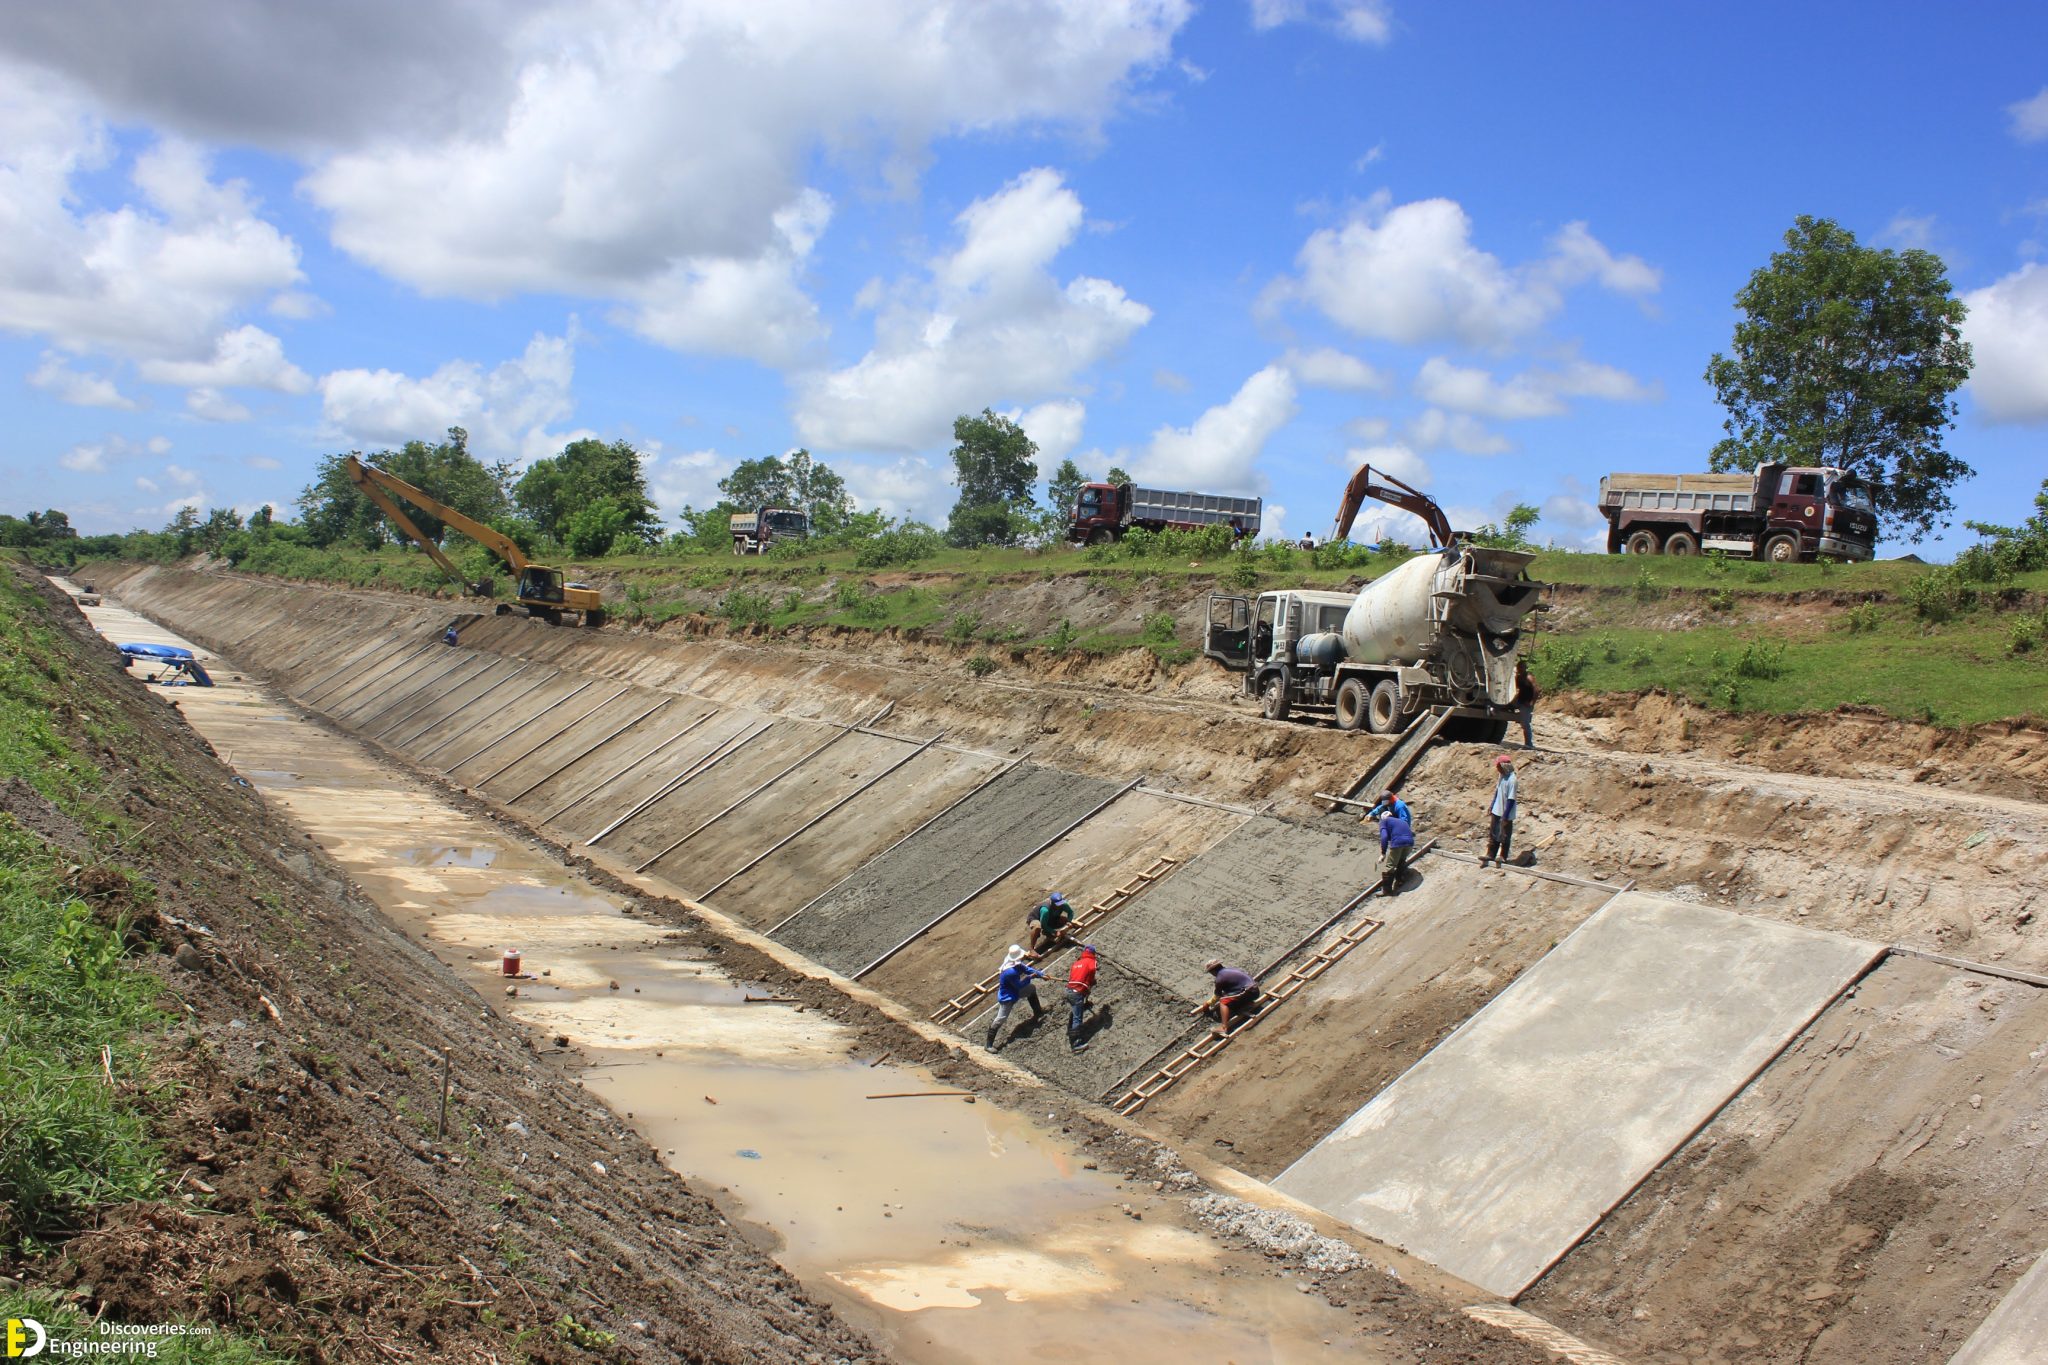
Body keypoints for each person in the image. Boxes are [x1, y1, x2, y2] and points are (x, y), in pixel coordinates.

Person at [986, 945, 1046, 1051]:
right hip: (1008, 996)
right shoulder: (1010, 972)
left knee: (1031, 989)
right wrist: (1030, 977)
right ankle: (989, 1045)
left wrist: (1039, 974)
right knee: (1001, 1019)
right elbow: (1019, 985)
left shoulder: (1015, 964)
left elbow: (1026, 969)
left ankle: (1038, 1012)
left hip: (1014, 991)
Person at [1191, 960, 1261, 1039]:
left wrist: (1207, 1004)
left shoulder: (1220, 978)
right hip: (1254, 991)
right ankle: (1246, 1004)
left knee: (1223, 1002)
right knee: (1228, 996)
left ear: (1212, 971)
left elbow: (1217, 996)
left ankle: (1224, 1028)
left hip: (1249, 992)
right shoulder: (1232, 970)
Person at [1482, 754, 1517, 867]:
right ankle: (1491, 854)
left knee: (1504, 835)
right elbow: (1497, 791)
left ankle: (1503, 856)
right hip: (1497, 809)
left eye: (1498, 766)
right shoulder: (1501, 776)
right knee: (1494, 833)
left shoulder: (1512, 780)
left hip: (1506, 812)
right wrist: (1492, 805)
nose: (1497, 769)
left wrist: (1505, 816)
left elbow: (1511, 799)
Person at [1064, 945, 1099, 1052]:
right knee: (1077, 1018)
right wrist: (1092, 981)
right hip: (1077, 993)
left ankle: (1070, 1030)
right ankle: (1076, 1043)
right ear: (1093, 954)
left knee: (1075, 1011)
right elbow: (1093, 970)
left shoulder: (1076, 963)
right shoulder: (1091, 961)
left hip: (1068, 991)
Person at [1026, 892, 1077, 957]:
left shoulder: (1063, 904)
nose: (1060, 905)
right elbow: (1043, 925)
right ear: (1053, 903)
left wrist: (1069, 921)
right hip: (1036, 919)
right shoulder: (1045, 910)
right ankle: (1031, 949)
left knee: (1064, 920)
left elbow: (1070, 912)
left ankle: (1047, 932)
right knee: (1037, 927)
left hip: (1050, 918)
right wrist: (1055, 932)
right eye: (1058, 904)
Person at [1378, 805, 1415, 893]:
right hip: (1410, 843)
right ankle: (1400, 880)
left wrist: (1383, 853)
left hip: (1398, 843)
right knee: (1401, 861)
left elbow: (1384, 837)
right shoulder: (1401, 821)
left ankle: (1387, 891)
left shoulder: (1384, 821)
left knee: (1390, 866)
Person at [1513, 659, 1539, 750]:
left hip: (1526, 703)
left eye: (1521, 667)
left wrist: (1532, 702)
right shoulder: (1519, 677)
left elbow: (1536, 689)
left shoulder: (1529, 677)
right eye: (1519, 667)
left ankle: (1529, 744)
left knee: (1525, 723)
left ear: (1525, 668)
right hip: (1519, 701)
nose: (1520, 669)